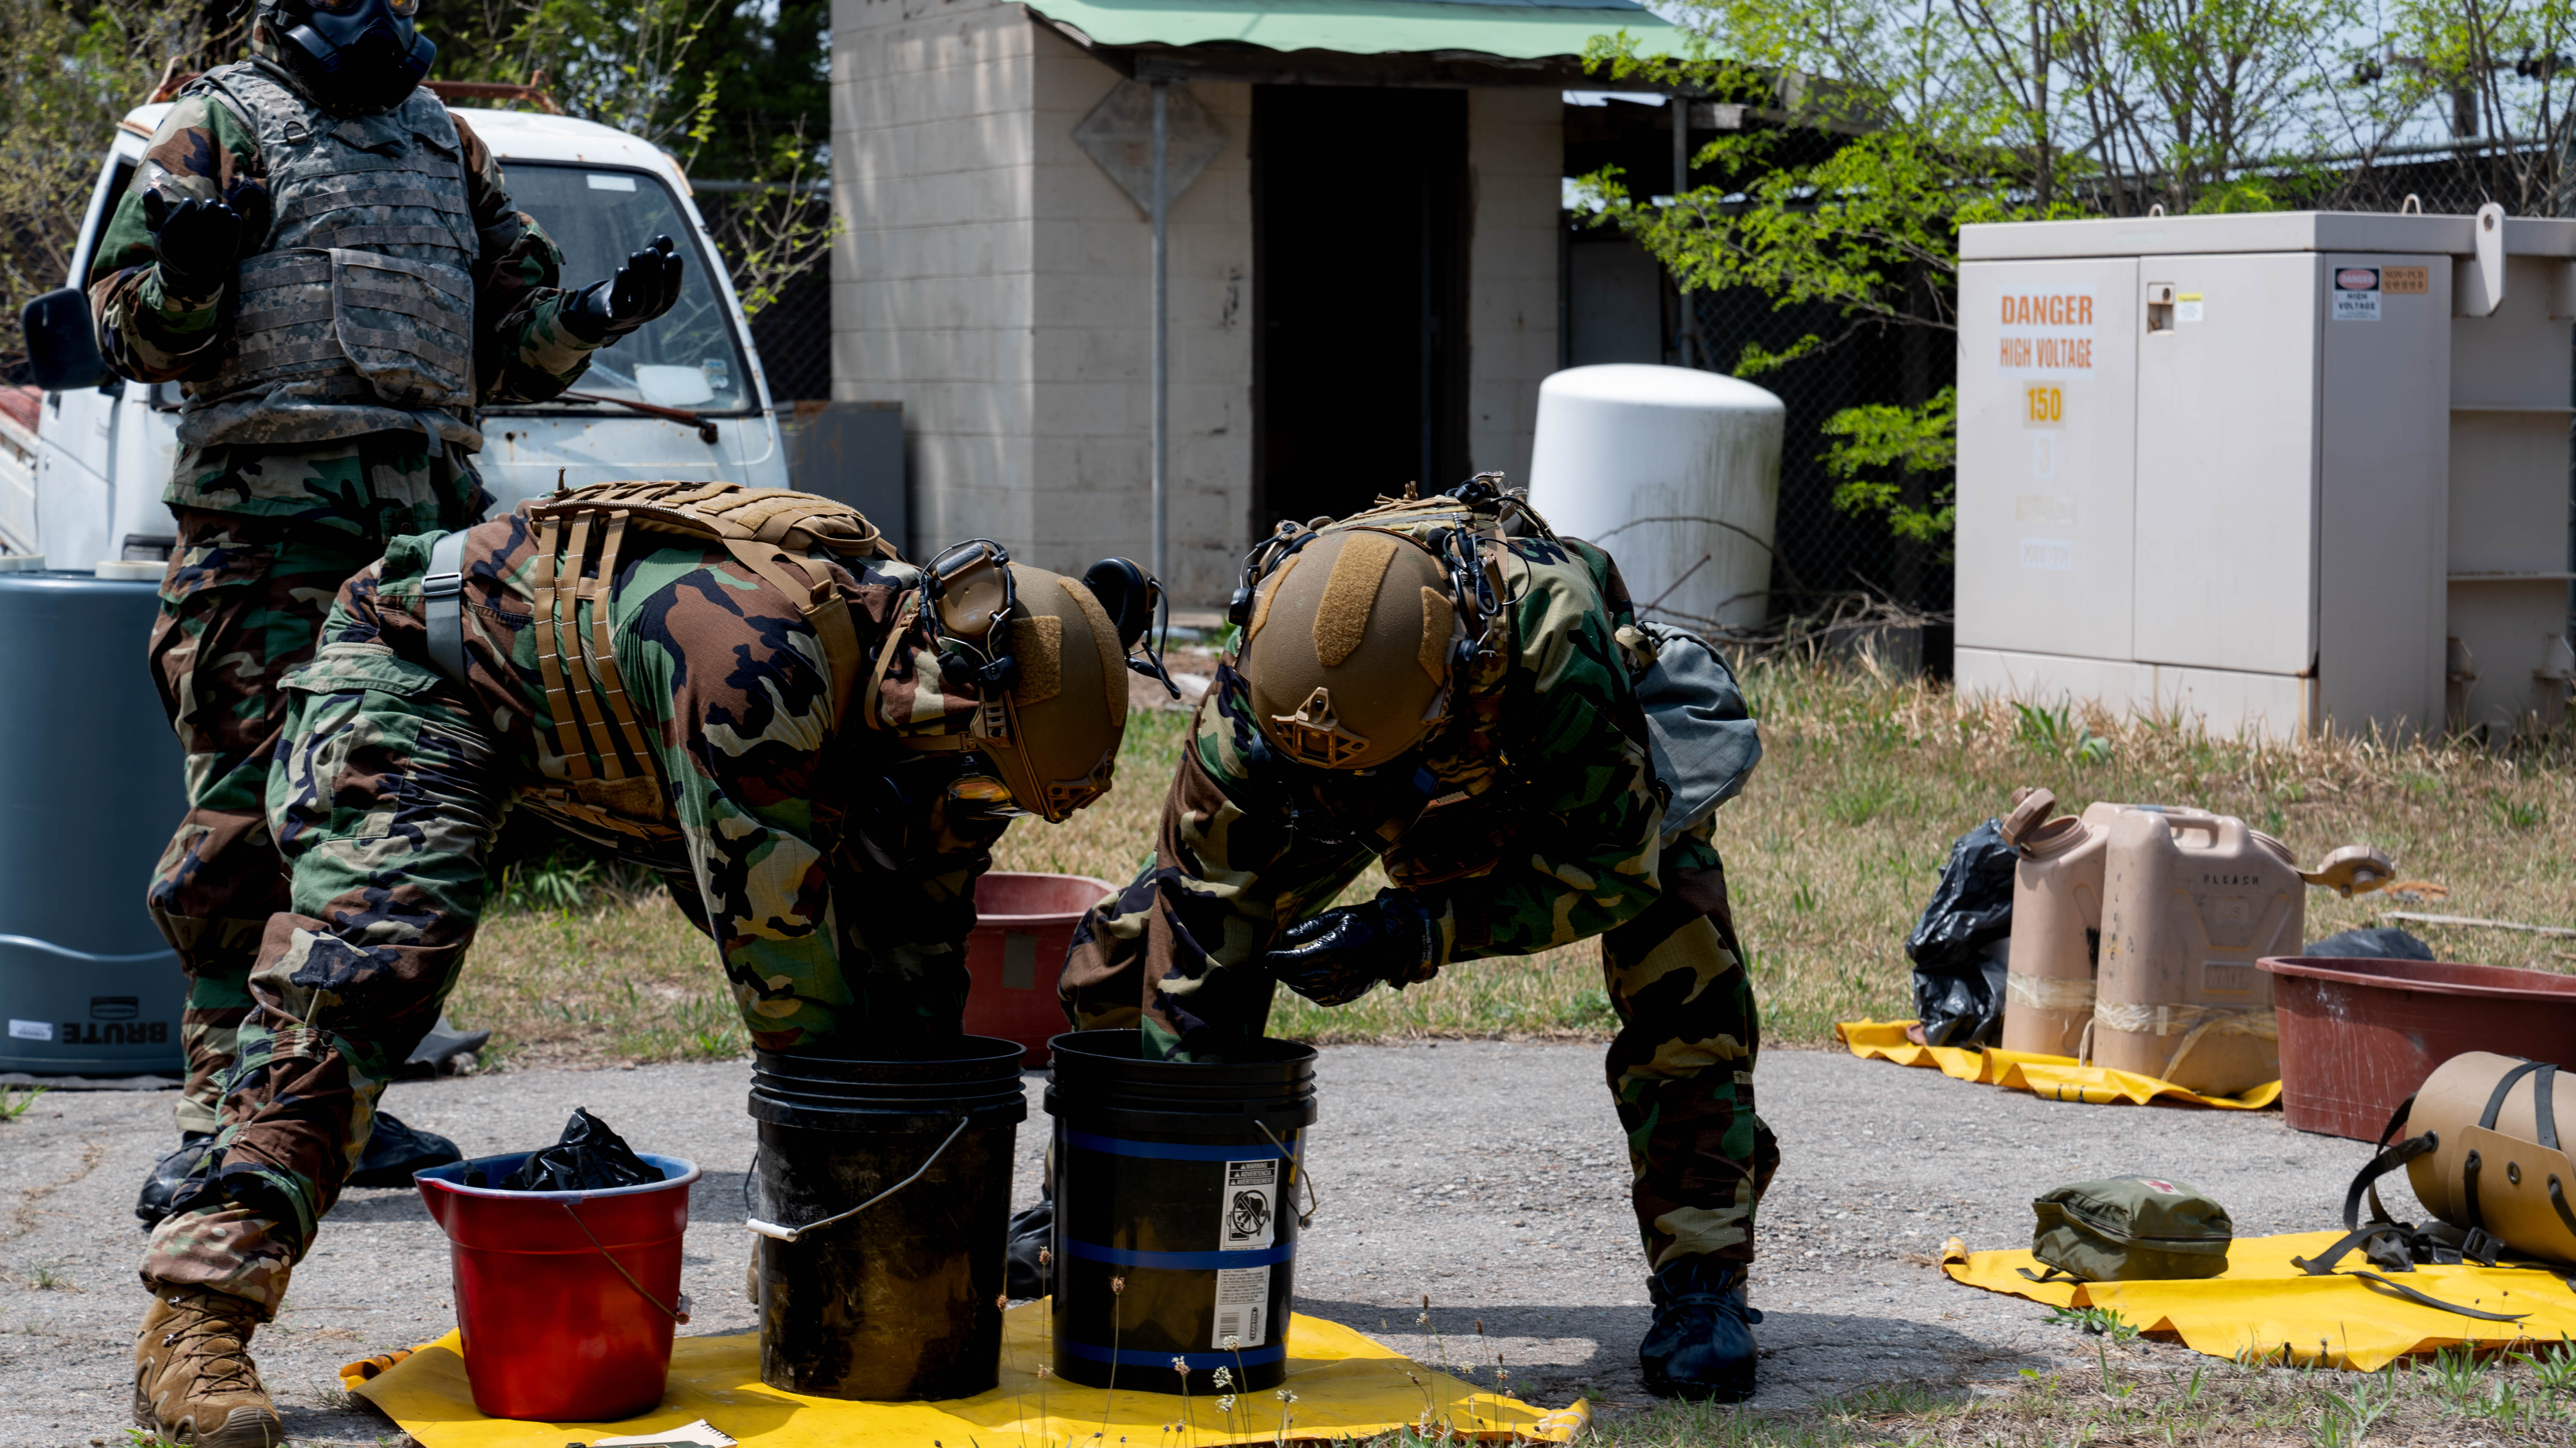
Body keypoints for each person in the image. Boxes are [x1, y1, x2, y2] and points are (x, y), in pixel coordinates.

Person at [131, 481, 1150, 1447]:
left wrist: (882, 1240)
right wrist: (840, 1180)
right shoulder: (760, 656)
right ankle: (199, 1307)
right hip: (423, 676)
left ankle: (830, 1265)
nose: (974, 811)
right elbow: (784, 975)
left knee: (898, 977)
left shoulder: (929, 687)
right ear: (949, 694)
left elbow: (918, 956)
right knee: (371, 970)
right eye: (978, 782)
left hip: (618, 730)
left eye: (995, 801)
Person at [86, 0, 686, 1214]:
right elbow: (131, 335)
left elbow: (513, 345)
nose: (375, 9)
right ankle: (219, 1117)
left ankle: (334, 1099)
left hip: (417, 546)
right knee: (242, 824)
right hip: (259, 540)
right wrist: (190, 271)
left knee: (392, 824)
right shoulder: (211, 130)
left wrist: (593, 314)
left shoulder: (443, 145)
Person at [1058, 475, 1773, 1402]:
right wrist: (1167, 1216)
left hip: (1544, 769)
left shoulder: (1556, 640)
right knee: (1132, 949)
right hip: (1358, 756)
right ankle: (1094, 1198)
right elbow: (1204, 921)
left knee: (1688, 986)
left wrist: (1413, 929)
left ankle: (1703, 1282)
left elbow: (1613, 866)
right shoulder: (1256, 682)